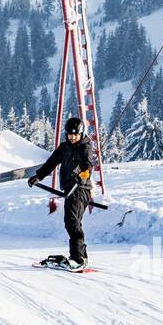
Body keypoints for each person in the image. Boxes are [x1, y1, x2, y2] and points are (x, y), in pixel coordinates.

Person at [29, 116, 95, 271]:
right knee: (71, 222)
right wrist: (38, 176)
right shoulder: (65, 147)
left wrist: (81, 176)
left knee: (72, 221)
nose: (72, 138)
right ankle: (79, 256)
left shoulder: (85, 148)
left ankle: (79, 258)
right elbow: (51, 163)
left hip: (81, 189)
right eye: (69, 134)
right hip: (69, 190)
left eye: (75, 135)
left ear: (81, 134)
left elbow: (88, 168)